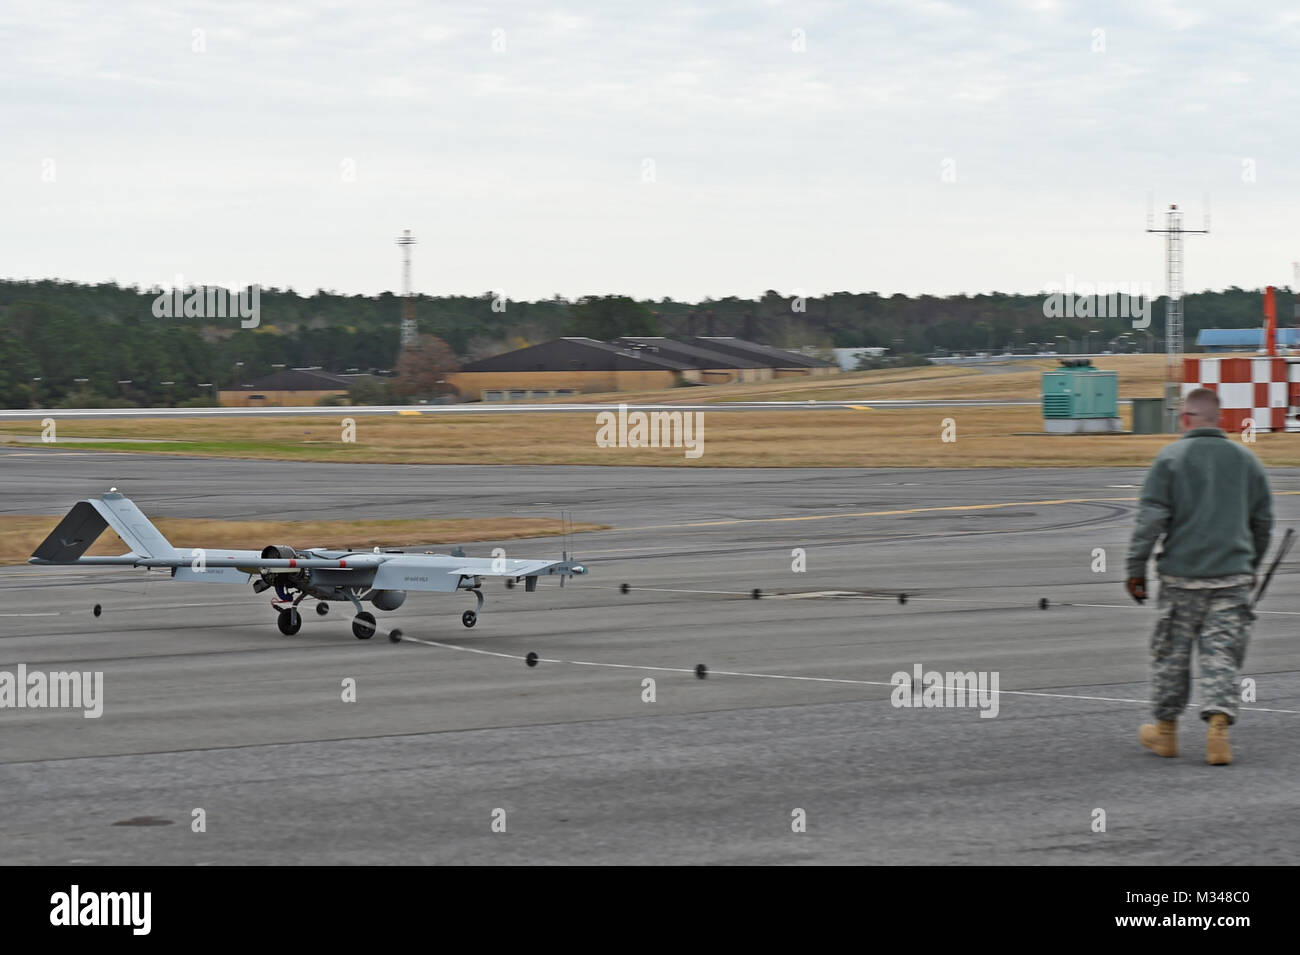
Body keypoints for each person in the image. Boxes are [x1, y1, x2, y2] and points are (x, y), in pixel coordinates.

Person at [1125, 387, 1273, 765]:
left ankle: (1166, 731)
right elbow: (1262, 523)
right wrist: (1249, 566)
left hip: (1181, 580)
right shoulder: (1247, 461)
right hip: (1233, 579)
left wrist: (1135, 570)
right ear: (1218, 418)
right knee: (1221, 654)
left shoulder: (1170, 459)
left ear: (1186, 418)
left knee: (1171, 654)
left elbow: (1149, 523)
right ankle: (1218, 731)